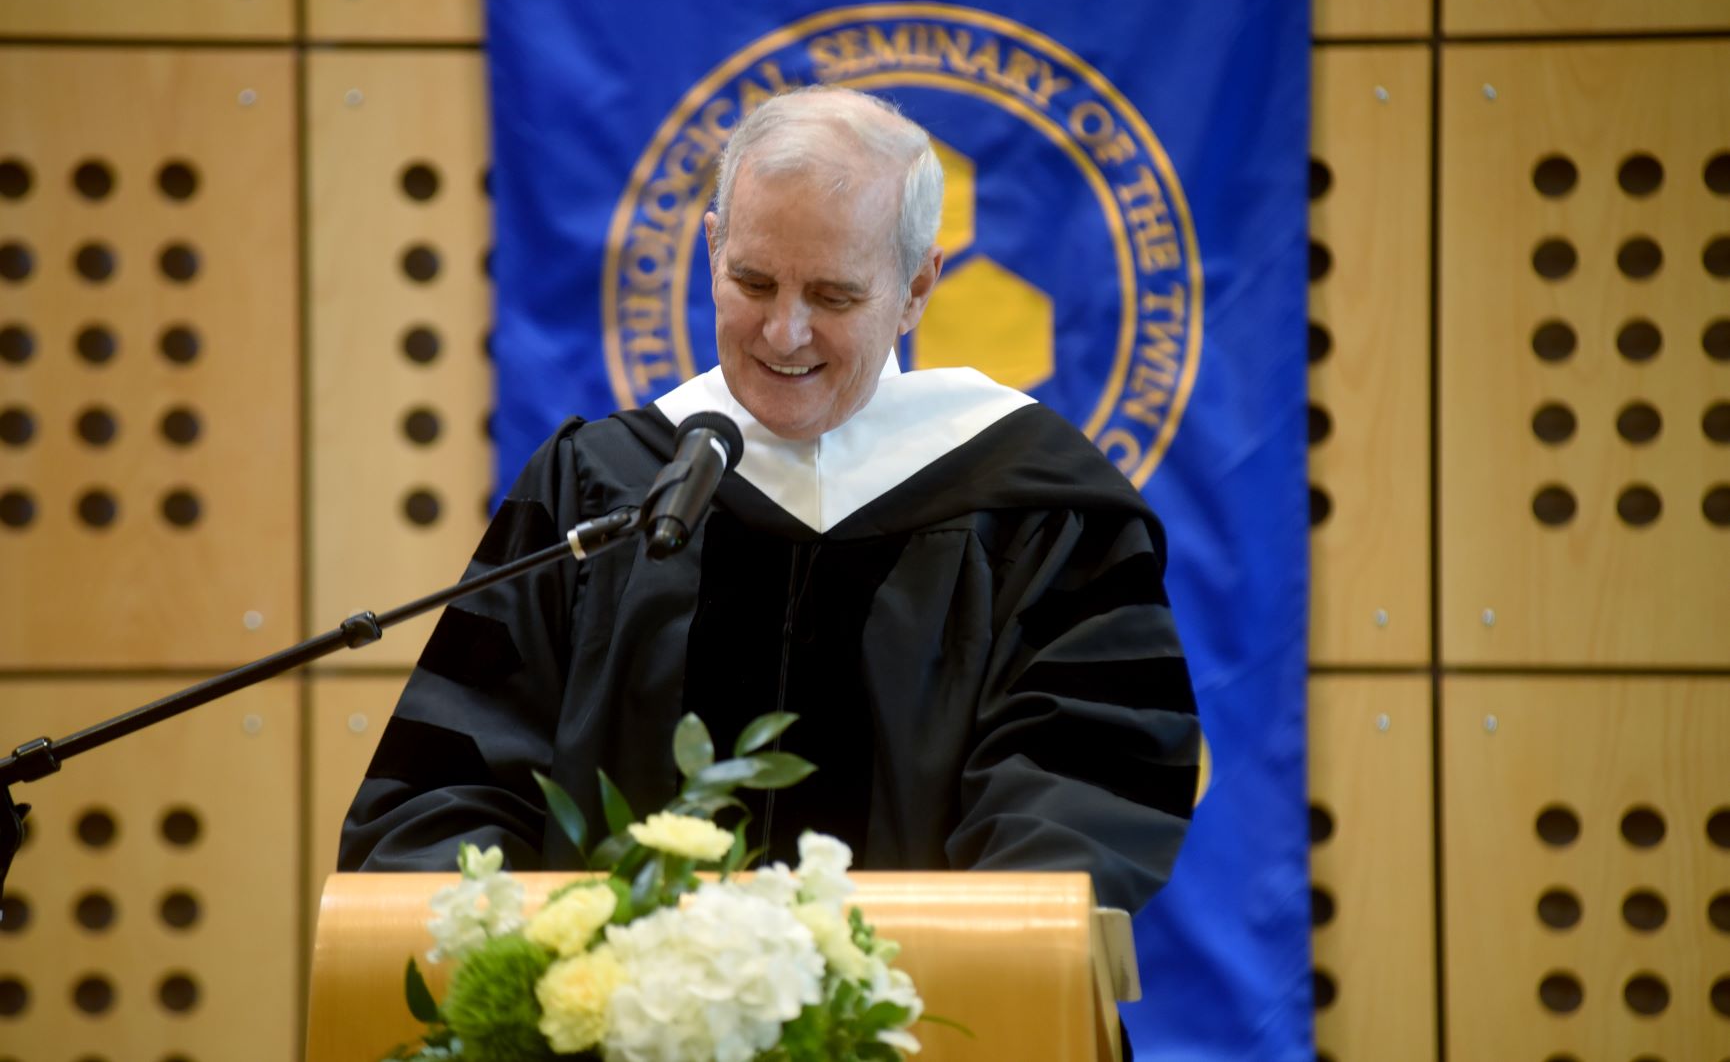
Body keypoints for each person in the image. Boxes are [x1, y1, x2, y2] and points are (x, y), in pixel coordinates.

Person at [340, 87, 1200, 914]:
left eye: (833, 295)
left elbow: (1084, 791)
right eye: (753, 282)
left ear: (918, 288)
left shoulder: (1032, 506)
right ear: (713, 249)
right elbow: (446, 790)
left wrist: (943, 969)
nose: (784, 332)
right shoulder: (601, 488)